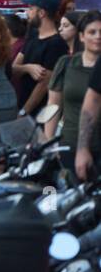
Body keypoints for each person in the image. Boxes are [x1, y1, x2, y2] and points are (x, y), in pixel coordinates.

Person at [45, 12, 101, 167]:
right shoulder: (67, 64)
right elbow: (53, 104)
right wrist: (49, 140)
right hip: (70, 142)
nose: (98, 36)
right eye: (92, 32)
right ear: (81, 36)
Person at [12, 0, 69, 114]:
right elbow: (14, 68)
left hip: (40, 113)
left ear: (42, 13)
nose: (28, 13)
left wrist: (24, 112)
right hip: (22, 105)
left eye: (31, 9)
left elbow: (43, 85)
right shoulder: (32, 35)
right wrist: (27, 68)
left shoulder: (56, 44)